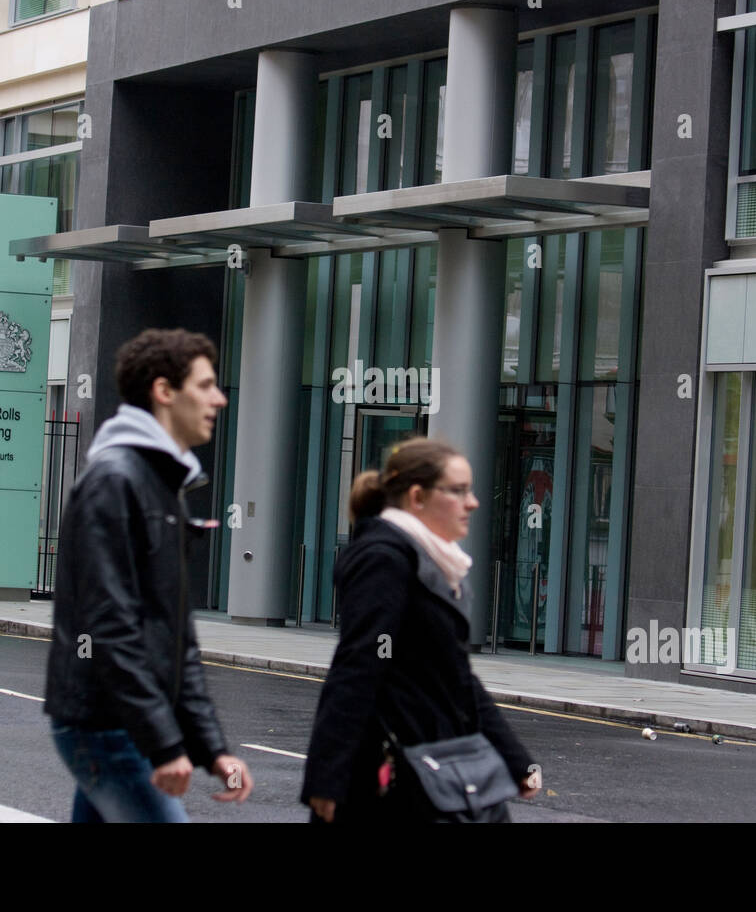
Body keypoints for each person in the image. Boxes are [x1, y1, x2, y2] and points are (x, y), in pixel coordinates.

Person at [45, 328, 253, 822]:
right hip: (107, 723)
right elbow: (111, 625)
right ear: (164, 392)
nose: (219, 399)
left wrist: (212, 748)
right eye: (205, 385)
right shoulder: (115, 482)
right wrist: (163, 744)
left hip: (121, 720)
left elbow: (176, 639)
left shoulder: (159, 484)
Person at [301, 438, 539, 822]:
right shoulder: (384, 559)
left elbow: (458, 677)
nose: (473, 502)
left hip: (438, 771)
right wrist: (326, 778)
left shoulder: (431, 563)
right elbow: (361, 664)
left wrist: (518, 761)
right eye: (459, 491)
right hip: (393, 779)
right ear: (417, 497)